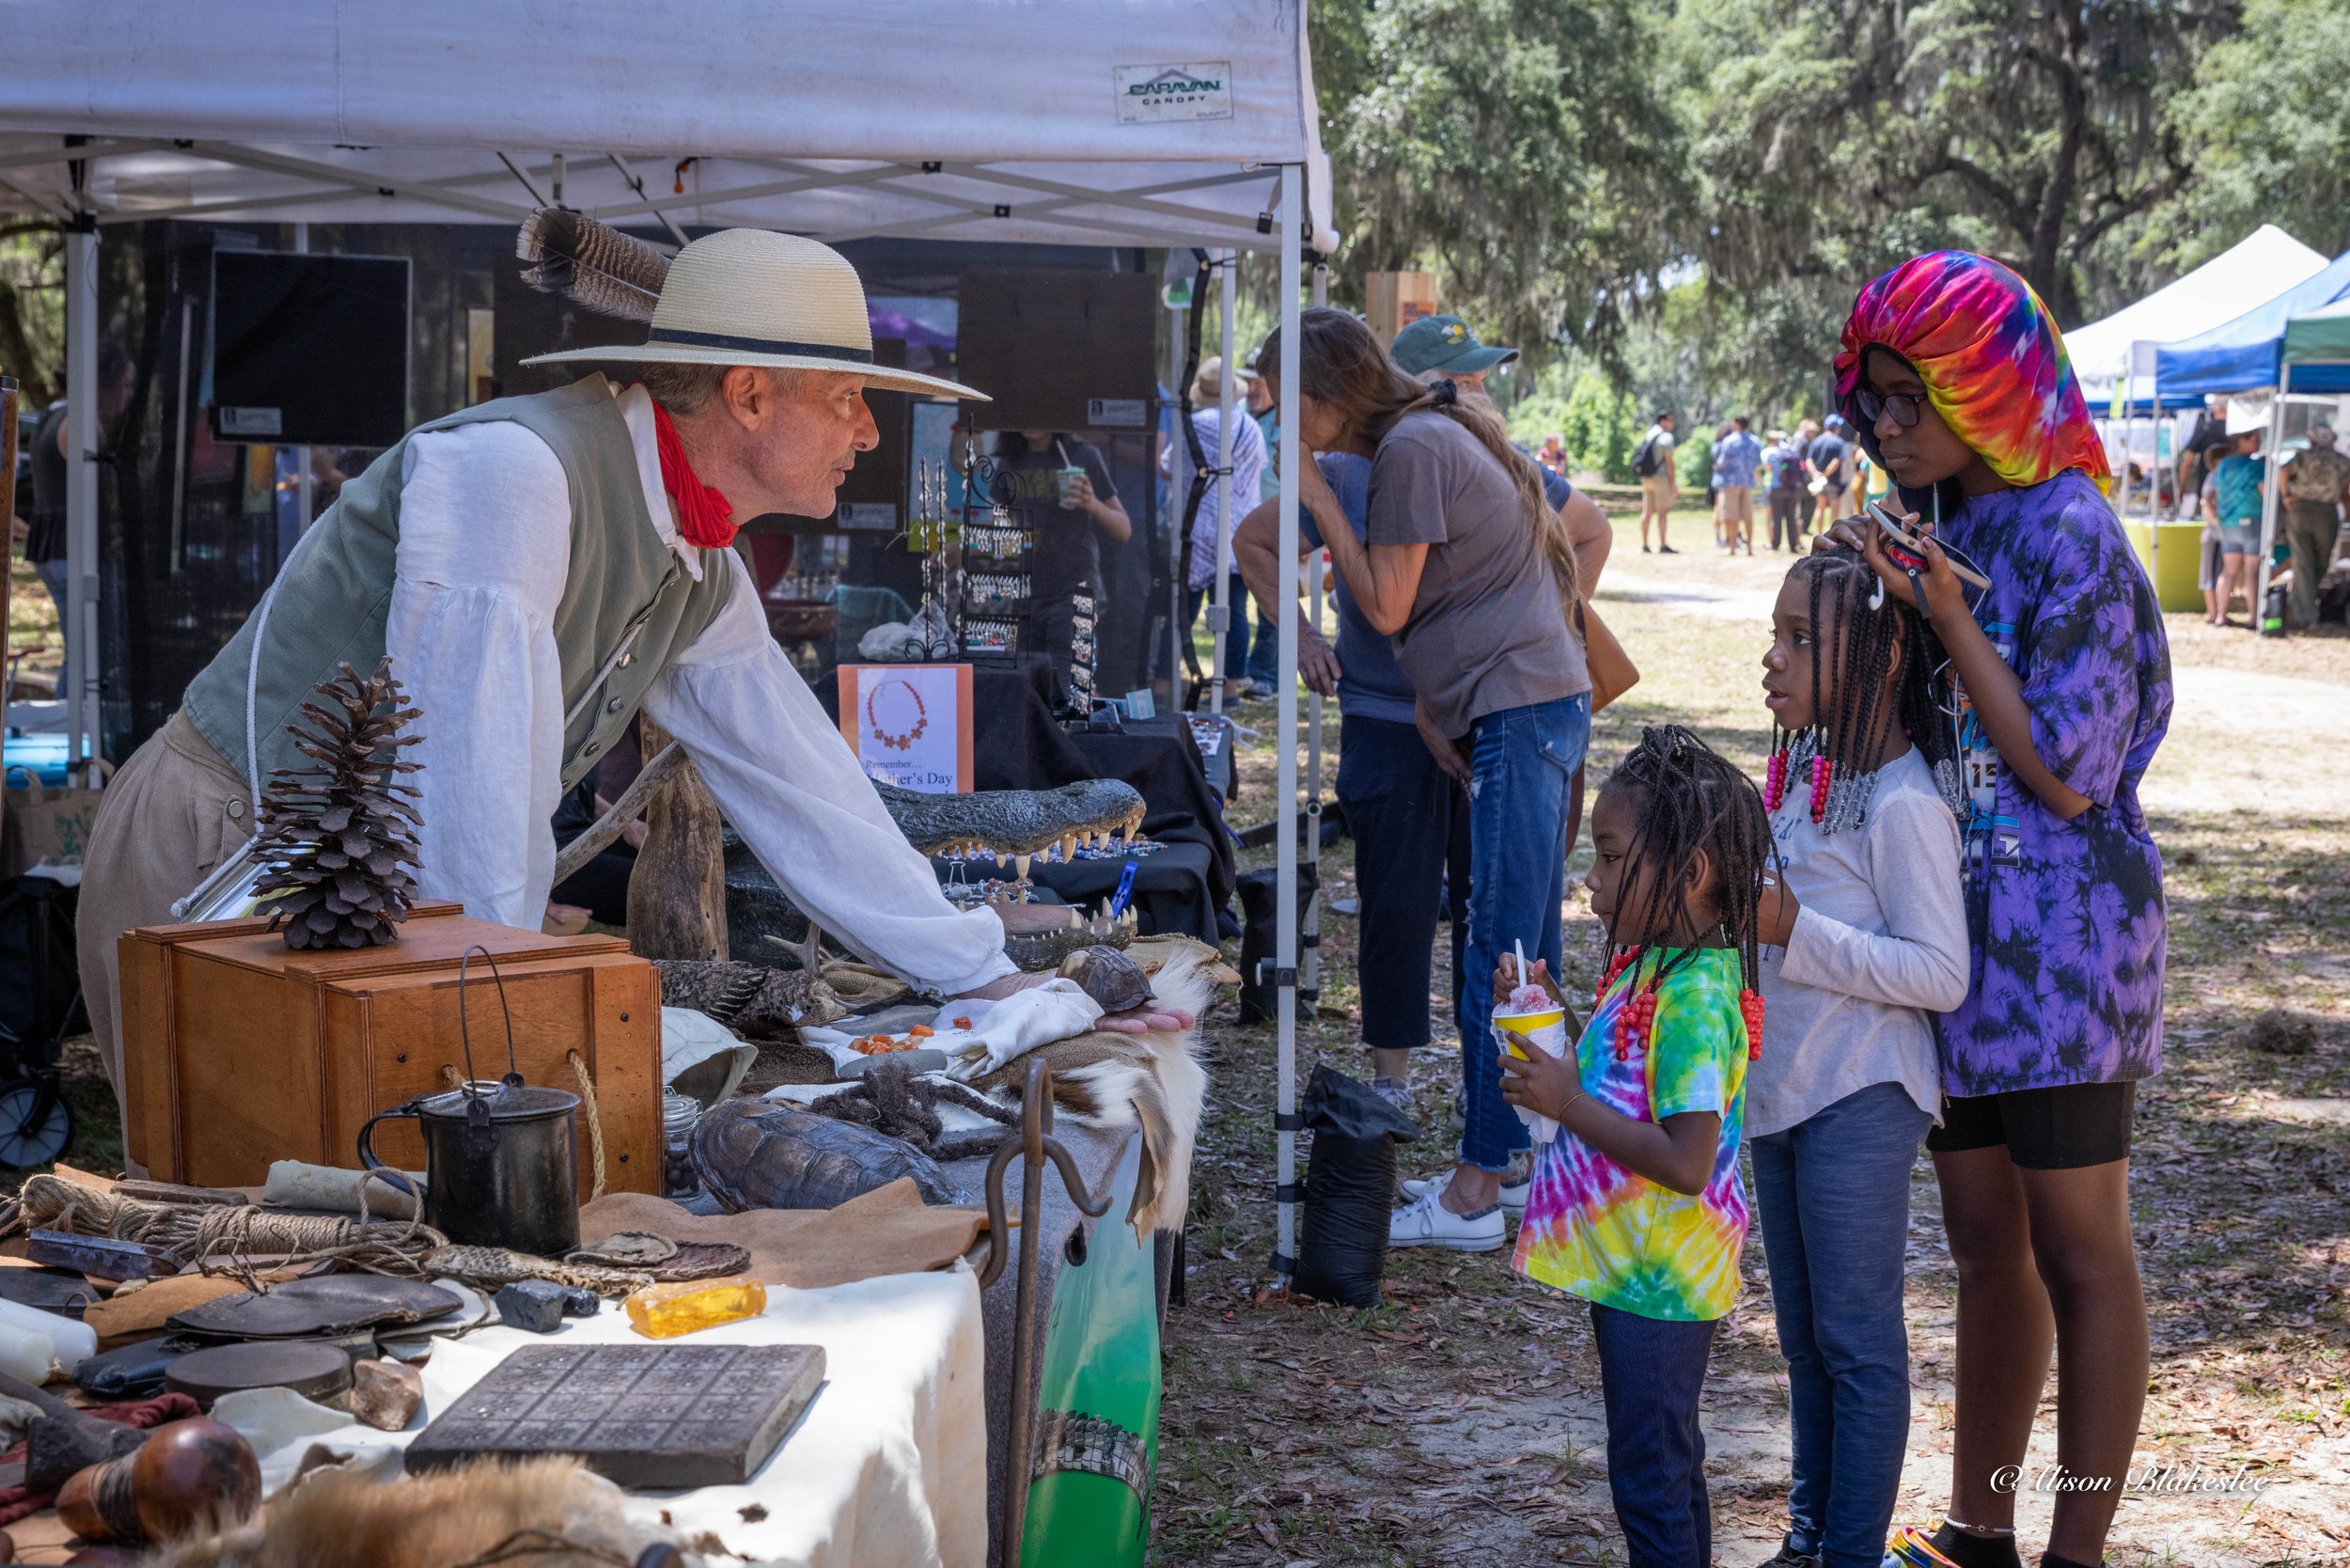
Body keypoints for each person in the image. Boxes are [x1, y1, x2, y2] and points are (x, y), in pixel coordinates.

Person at [77, 224, 1188, 1114]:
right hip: (232, 844)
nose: (865, 434)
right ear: (749, 395)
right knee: (249, 1209)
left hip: (369, 890)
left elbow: (801, 781)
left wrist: (978, 972)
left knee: (363, 1220)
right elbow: (466, 779)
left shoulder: (698, 557)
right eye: (845, 400)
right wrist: (502, 1035)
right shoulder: (514, 475)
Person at [1824, 250, 2170, 1568]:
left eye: (1911, 399)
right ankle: (1981, 1526)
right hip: (1951, 935)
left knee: (2079, 1247)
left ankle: (2076, 1552)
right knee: (1980, 1239)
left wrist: (1949, 618)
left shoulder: (2071, 529)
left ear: (1987, 388)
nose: (1888, 427)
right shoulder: (1933, 523)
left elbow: (2072, 777)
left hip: (2065, 946)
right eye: (1873, 404)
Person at [1254, 306, 1590, 1252]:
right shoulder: (1427, 433)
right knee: (1520, 951)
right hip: (1510, 710)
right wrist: (1444, 703)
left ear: (1325, 401)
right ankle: (1526, 1159)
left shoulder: (1406, 451)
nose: (1281, 426)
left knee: (1504, 953)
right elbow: (1467, 593)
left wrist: (1318, 499)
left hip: (1522, 712)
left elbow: (1388, 599)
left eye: (1286, 408)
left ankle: (1481, 1186)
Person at [1496, 726, 1769, 1568]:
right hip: (1641, 1268)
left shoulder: (1691, 997)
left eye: (1611, 859)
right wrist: (1551, 1017)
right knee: (1666, 1463)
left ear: (1688, 874)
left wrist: (1566, 1101)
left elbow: (1687, 1161)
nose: (1592, 882)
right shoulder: (1657, 965)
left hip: (1661, 1278)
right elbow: (1622, 1083)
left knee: (1649, 1478)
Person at [1752, 548, 1969, 1568]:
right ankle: (1810, 1537)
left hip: (1860, 1094)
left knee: (1858, 1348)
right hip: (1782, 1092)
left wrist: (1796, 927)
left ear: (1878, 659)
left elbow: (1939, 972)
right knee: (1802, 1346)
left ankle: (1849, 1553)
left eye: (1801, 640)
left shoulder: (1902, 804)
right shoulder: (1804, 772)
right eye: (1776, 635)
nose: (1773, 659)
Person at [24, 348, 135, 696]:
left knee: (80, 650)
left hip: (52, 552)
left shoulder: (51, 416)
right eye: (126, 385)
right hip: (75, 554)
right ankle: (73, 727)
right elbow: (103, 499)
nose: (130, 395)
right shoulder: (85, 426)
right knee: (90, 655)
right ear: (104, 385)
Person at [990, 427, 1130, 682]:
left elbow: (1124, 528)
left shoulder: (1083, 456)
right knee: (1026, 684)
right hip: (1025, 592)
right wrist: (964, 546)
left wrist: (1093, 505)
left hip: (1075, 587)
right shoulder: (1009, 461)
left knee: (1070, 683)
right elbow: (1000, 523)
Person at [2280, 421, 2350, 626]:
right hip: (2326, 513)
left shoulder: (2303, 456)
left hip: (2301, 510)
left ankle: (2302, 607)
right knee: (2321, 563)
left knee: (2304, 563)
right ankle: (2305, 613)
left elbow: (2282, 471)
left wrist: (2286, 496)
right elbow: (2345, 494)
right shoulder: (2342, 461)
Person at [2206, 427, 2264, 627]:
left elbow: (2216, 491)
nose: (2259, 442)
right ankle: (2255, 618)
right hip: (2252, 521)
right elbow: (2265, 491)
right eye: (2255, 439)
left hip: (2227, 523)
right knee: (2252, 571)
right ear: (2243, 440)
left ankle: (2221, 615)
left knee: (2229, 570)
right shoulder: (2257, 466)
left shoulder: (2223, 465)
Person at [2194, 439, 2232, 626]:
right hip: (2214, 533)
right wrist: (2217, 522)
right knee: (2211, 574)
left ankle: (2215, 612)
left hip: (2215, 532)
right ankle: (2213, 612)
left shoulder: (2215, 475)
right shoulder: (2215, 476)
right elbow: (2206, 502)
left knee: (2213, 573)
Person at [1715, 415, 1763, 556]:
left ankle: (1731, 548)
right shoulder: (1755, 441)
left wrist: (1716, 466)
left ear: (1736, 424)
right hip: (1748, 482)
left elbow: (1722, 462)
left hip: (1730, 482)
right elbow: (1757, 464)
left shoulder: (1729, 441)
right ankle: (1749, 548)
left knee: (1731, 516)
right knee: (1748, 516)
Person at [1634, 411, 1680, 553]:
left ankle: (1645, 545)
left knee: (1647, 512)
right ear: (1663, 421)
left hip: (1647, 478)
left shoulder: (1650, 434)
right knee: (1662, 513)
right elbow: (1669, 461)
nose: (1672, 423)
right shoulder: (1666, 437)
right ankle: (1663, 544)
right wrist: (1673, 483)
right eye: (1670, 420)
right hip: (1661, 479)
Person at [1765, 427, 1810, 552]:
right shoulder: (1792, 451)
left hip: (1777, 488)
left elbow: (1768, 469)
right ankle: (1793, 545)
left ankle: (1776, 544)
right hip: (1793, 489)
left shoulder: (1772, 452)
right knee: (1791, 517)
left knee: (1777, 517)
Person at [1807, 416, 1850, 535]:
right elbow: (1836, 462)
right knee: (1835, 508)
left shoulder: (1816, 440)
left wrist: (1816, 474)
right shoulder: (1838, 441)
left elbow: (1809, 461)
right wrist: (1825, 475)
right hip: (1833, 481)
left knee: (1820, 506)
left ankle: (1819, 534)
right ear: (1836, 427)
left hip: (1819, 482)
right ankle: (1832, 535)